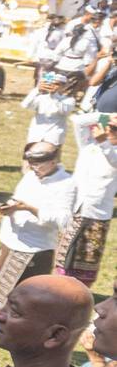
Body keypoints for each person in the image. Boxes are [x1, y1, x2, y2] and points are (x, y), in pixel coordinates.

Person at [0, 142, 75, 316]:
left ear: (53, 161)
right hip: (10, 243)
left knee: (22, 302)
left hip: (34, 249)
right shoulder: (30, 176)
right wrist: (9, 207)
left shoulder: (67, 183)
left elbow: (63, 220)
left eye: (37, 164)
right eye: (31, 163)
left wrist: (29, 208)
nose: (33, 167)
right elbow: (17, 199)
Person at [54, 111, 117, 285]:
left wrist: (104, 142)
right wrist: (107, 115)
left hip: (96, 214)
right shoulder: (89, 146)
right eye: (109, 127)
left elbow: (113, 160)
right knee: (62, 256)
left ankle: (80, 293)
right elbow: (78, 121)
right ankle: (57, 288)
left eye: (114, 129)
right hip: (75, 207)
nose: (110, 130)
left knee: (87, 261)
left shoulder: (109, 149)